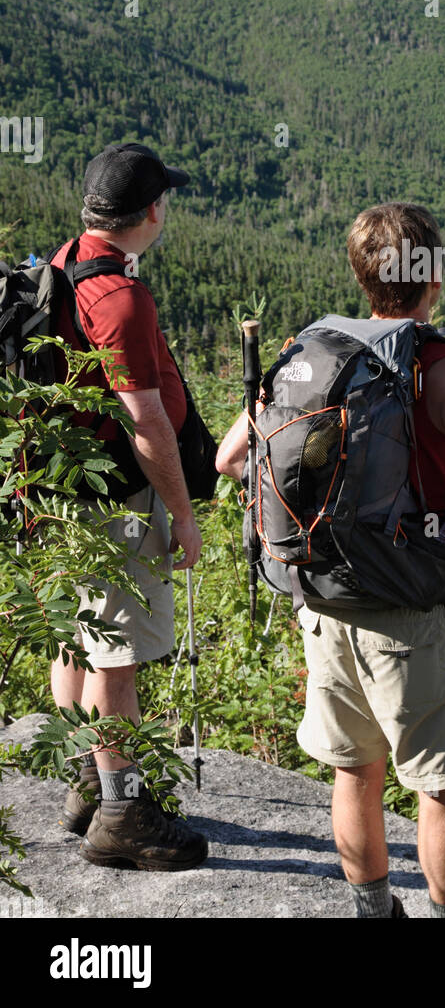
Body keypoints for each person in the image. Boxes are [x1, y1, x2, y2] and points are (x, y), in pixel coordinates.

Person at [217, 203, 445, 917]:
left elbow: (235, 458)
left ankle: (371, 909)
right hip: (410, 614)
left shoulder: (314, 352)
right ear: (433, 278)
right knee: (439, 785)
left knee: (353, 770)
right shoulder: (444, 362)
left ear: (363, 276)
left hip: (321, 603)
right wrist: (444, 531)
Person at [49, 142, 208, 871]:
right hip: (117, 499)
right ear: (149, 211)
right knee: (117, 651)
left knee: (76, 635)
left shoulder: (63, 265)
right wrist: (181, 512)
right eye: (163, 200)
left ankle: (89, 778)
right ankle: (122, 812)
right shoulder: (121, 298)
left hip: (63, 491)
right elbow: (147, 424)